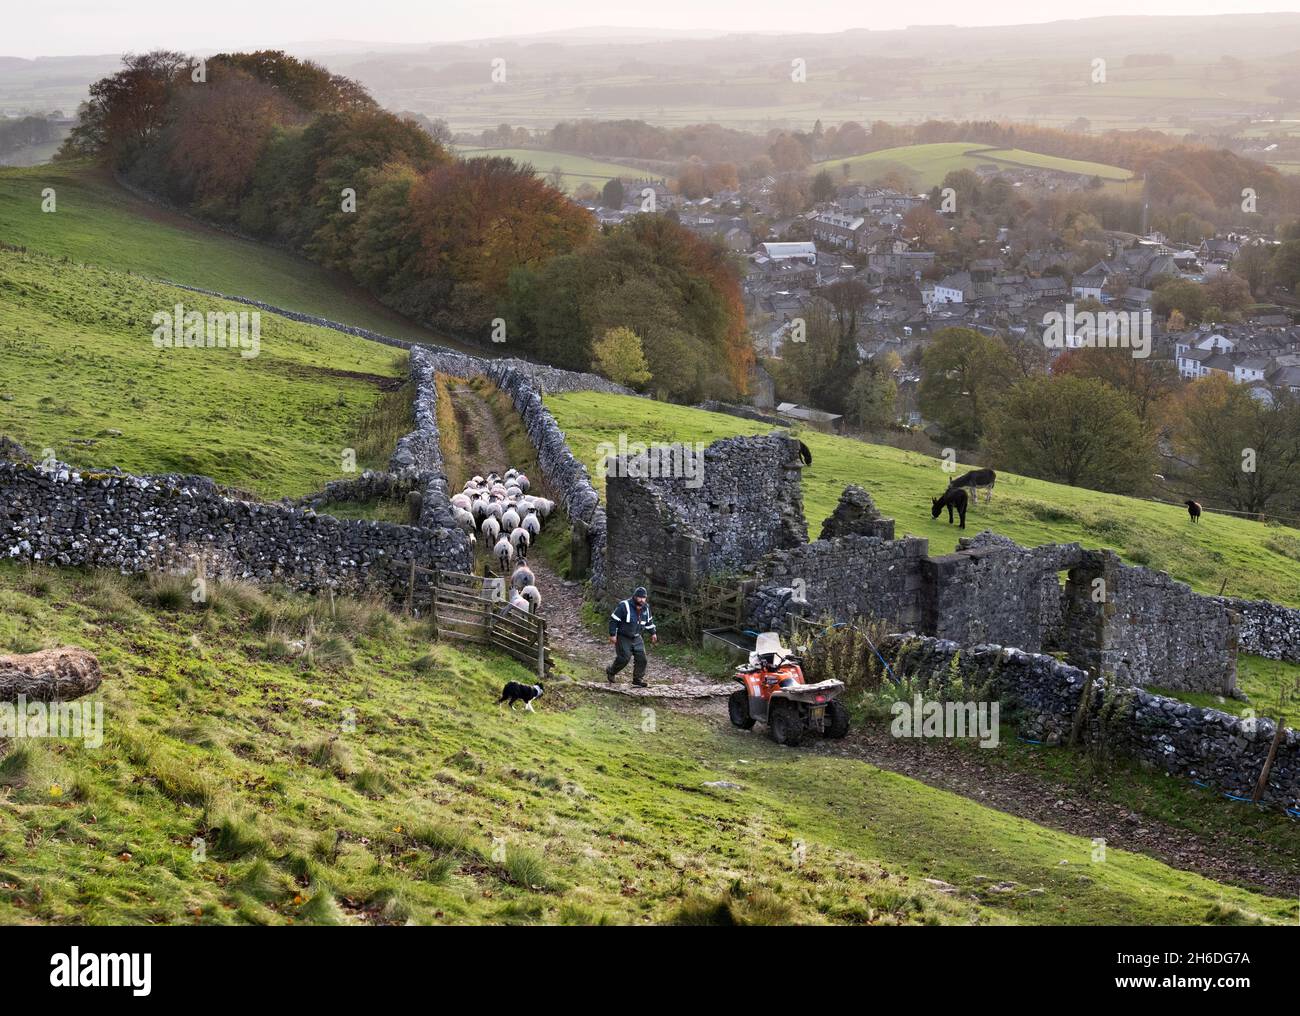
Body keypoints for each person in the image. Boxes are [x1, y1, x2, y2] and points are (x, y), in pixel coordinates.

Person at [606, 586, 657, 687]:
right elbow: (613, 620)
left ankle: (637, 680)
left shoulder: (646, 608)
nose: (642, 600)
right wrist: (612, 634)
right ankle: (611, 671)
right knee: (624, 658)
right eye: (640, 597)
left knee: (642, 659)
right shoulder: (624, 605)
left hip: (637, 637)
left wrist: (653, 633)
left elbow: (649, 622)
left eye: (644, 598)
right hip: (623, 636)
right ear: (635, 597)